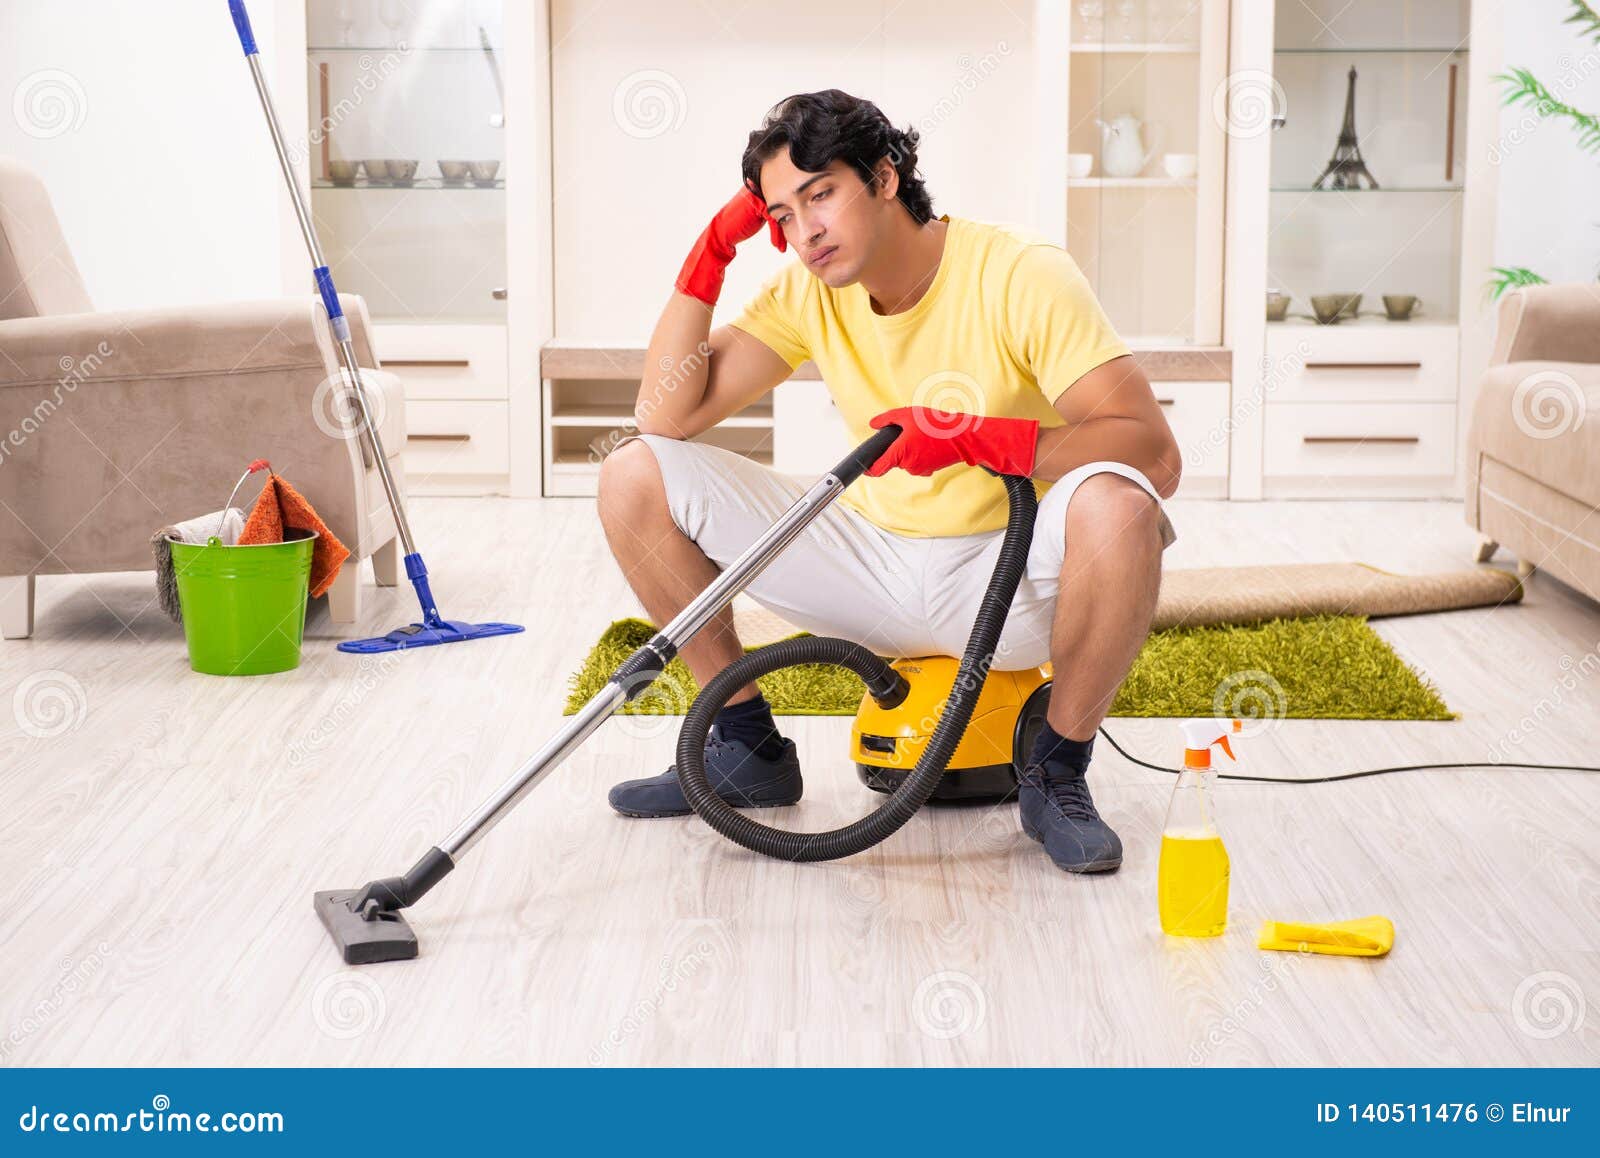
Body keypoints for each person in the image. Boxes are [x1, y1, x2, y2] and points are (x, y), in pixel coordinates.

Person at [597, 89, 1181, 874]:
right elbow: (664, 415)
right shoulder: (808, 291)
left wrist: (980, 438)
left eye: (820, 195)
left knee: (1121, 503)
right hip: (870, 566)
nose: (805, 232)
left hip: (1009, 578)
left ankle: (1056, 773)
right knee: (633, 471)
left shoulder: (1020, 272)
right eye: (781, 215)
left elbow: (1154, 453)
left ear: (884, 176)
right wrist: (710, 254)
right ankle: (745, 747)